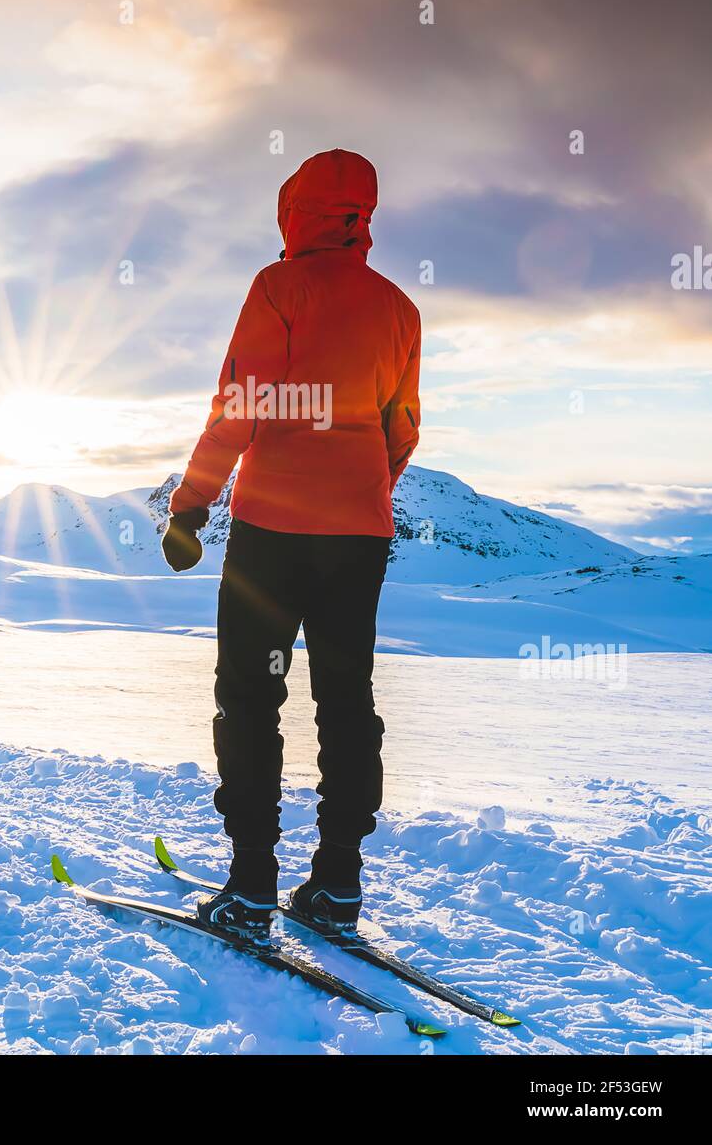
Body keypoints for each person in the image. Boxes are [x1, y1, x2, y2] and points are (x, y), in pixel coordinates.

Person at [162, 148, 421, 944]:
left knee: (249, 698)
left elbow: (237, 404)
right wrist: (360, 486)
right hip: (357, 537)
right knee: (346, 701)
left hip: (273, 532)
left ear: (293, 210)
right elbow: (401, 428)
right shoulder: (398, 309)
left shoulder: (277, 288)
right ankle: (337, 886)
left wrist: (192, 504)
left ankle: (251, 890)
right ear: (362, 215)